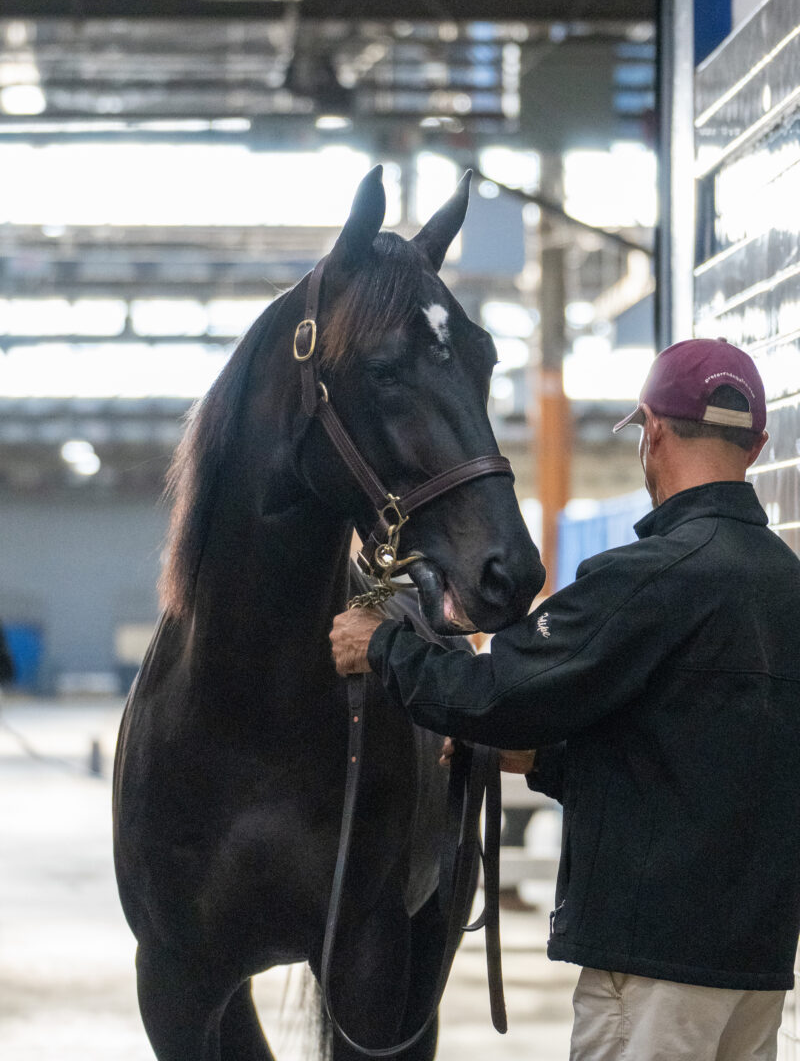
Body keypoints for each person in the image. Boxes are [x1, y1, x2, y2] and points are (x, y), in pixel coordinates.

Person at [330, 338, 800, 1061]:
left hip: (650, 971)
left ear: (652, 429)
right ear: (758, 443)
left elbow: (493, 692)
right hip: (758, 972)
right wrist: (544, 759)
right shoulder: (787, 586)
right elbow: (703, 760)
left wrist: (381, 645)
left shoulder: (648, 578)